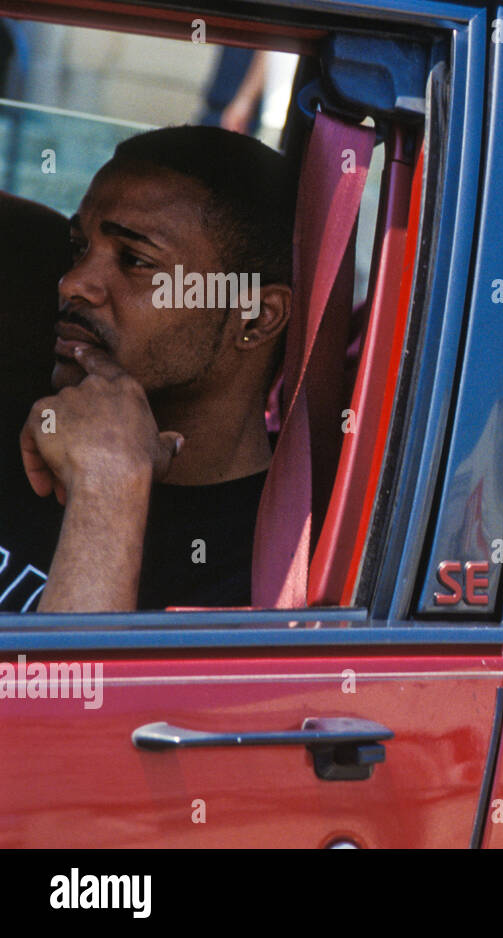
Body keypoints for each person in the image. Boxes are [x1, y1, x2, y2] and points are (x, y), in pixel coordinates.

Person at [11, 125, 295, 612]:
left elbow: (70, 690)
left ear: (255, 315)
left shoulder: (274, 574)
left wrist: (107, 484)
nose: (72, 282)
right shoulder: (23, 425)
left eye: (136, 261)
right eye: (80, 248)